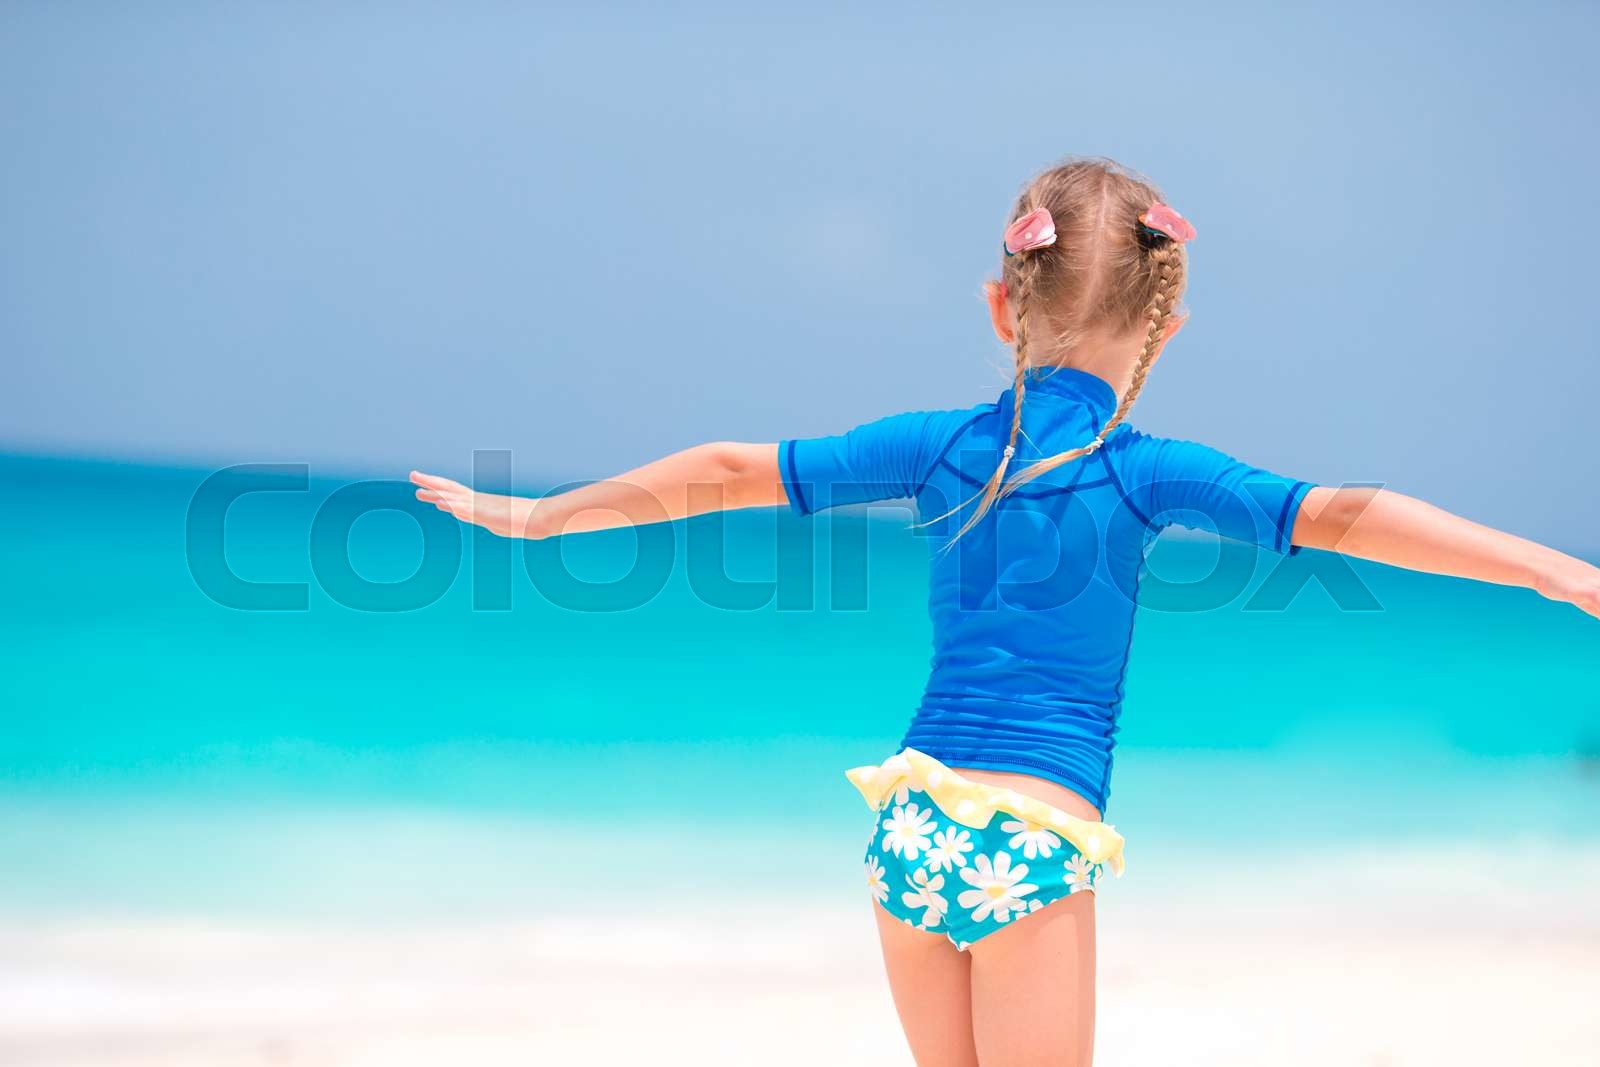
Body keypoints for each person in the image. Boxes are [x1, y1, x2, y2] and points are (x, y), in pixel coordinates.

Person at [411, 157, 1599, 1066]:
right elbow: (1349, 514)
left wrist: (540, 517)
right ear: (1164, 325)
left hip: (909, 826)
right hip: (1030, 836)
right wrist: (1561, 573)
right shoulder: (1146, 468)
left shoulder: (939, 447)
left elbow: (726, 464)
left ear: (1001, 303)